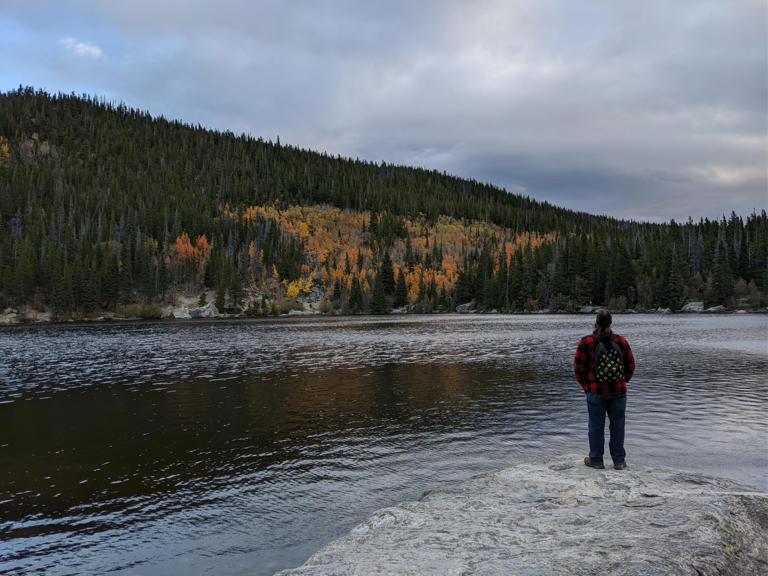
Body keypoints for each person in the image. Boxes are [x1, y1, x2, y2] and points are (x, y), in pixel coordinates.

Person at [573, 309, 635, 470]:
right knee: (618, 425)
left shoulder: (586, 342)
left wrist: (587, 387)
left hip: (595, 392)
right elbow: (630, 366)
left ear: (596, 322)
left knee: (595, 425)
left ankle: (596, 460)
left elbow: (578, 369)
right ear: (611, 323)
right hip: (619, 392)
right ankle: (619, 461)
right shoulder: (621, 341)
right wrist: (622, 382)